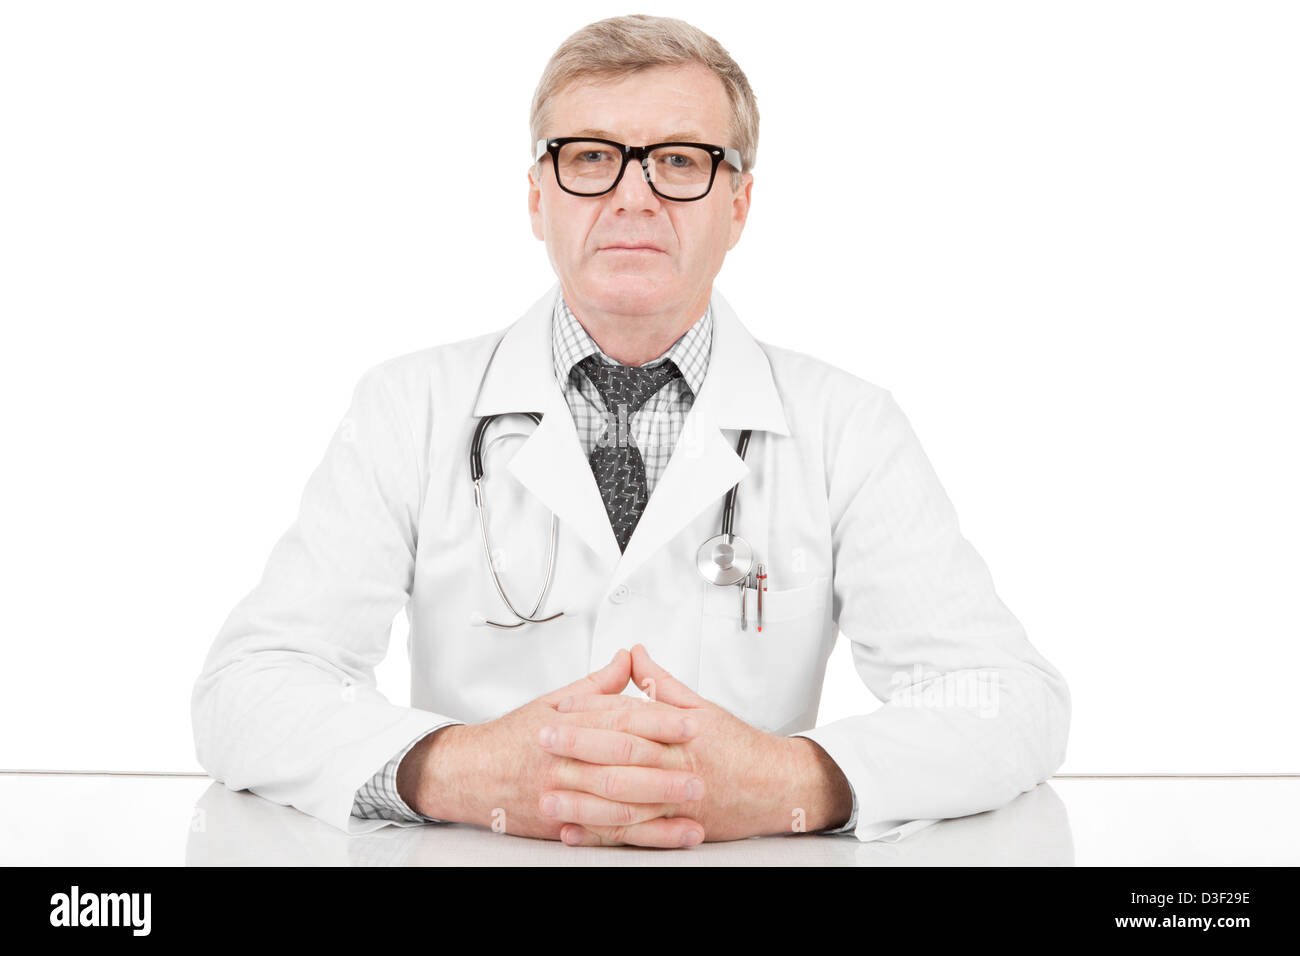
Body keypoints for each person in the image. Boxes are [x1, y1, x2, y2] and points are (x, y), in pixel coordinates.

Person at [191, 14, 1070, 849]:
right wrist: (459, 770)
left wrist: (794, 782)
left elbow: (1007, 699)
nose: (634, 195)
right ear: (537, 198)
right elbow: (247, 689)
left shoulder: (848, 427)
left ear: (740, 203)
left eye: (680, 161)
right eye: (591, 158)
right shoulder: (408, 407)